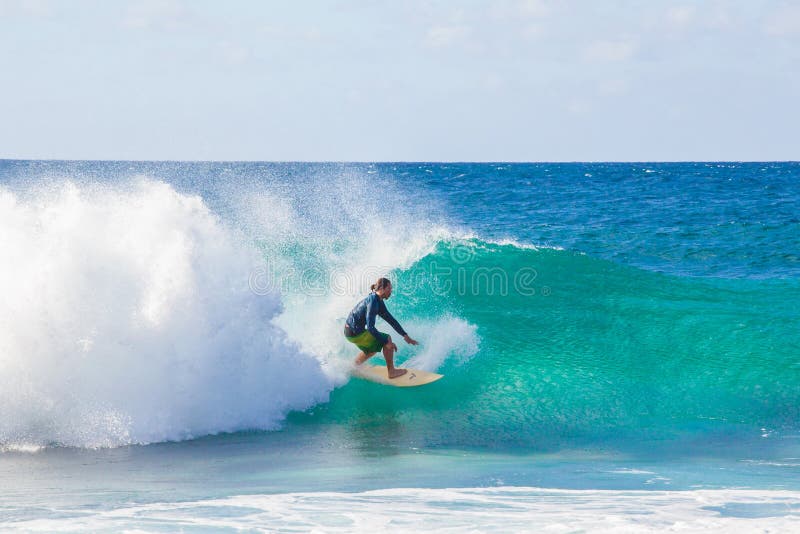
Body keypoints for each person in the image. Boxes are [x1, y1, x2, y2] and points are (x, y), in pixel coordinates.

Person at [344, 277, 418, 378]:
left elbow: (391, 320)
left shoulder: (377, 300)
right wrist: (387, 342)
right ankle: (391, 372)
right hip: (355, 332)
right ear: (382, 289)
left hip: (349, 332)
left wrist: (405, 335)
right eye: (389, 288)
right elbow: (370, 327)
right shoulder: (373, 302)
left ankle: (355, 365)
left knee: (373, 348)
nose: (391, 291)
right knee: (387, 338)